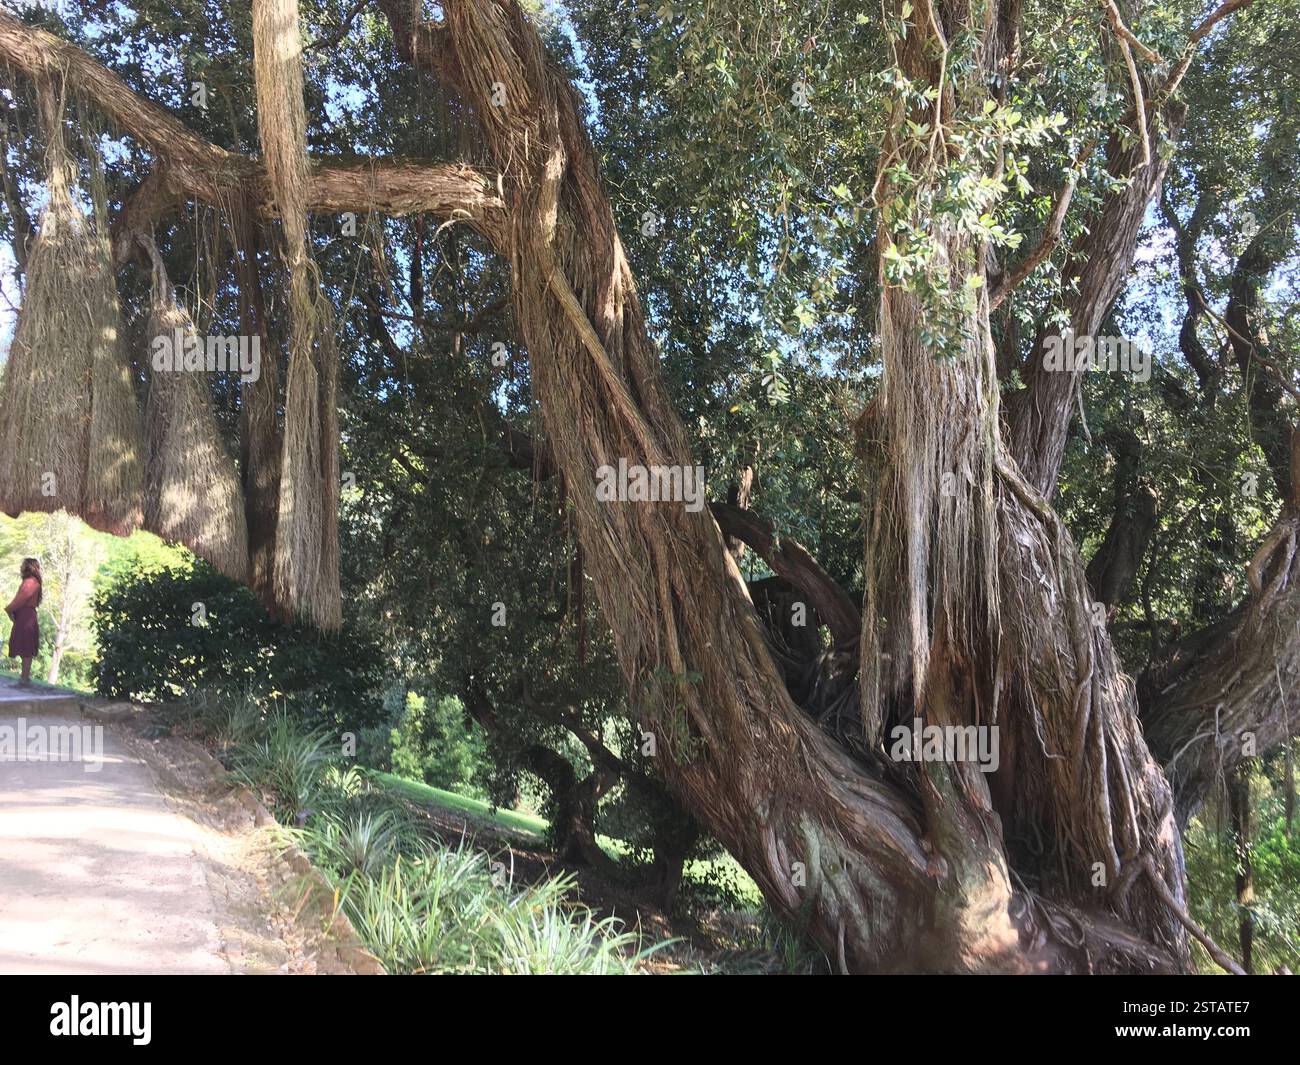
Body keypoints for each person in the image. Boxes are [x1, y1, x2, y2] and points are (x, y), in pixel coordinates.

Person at [5, 557, 42, 686]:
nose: (21, 567)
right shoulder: (31, 581)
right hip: (24, 616)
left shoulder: (31, 582)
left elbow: (20, 599)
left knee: (26, 648)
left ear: (29, 567)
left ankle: (24, 678)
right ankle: (24, 678)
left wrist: (9, 609)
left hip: (26, 617)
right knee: (24, 646)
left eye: (23, 565)